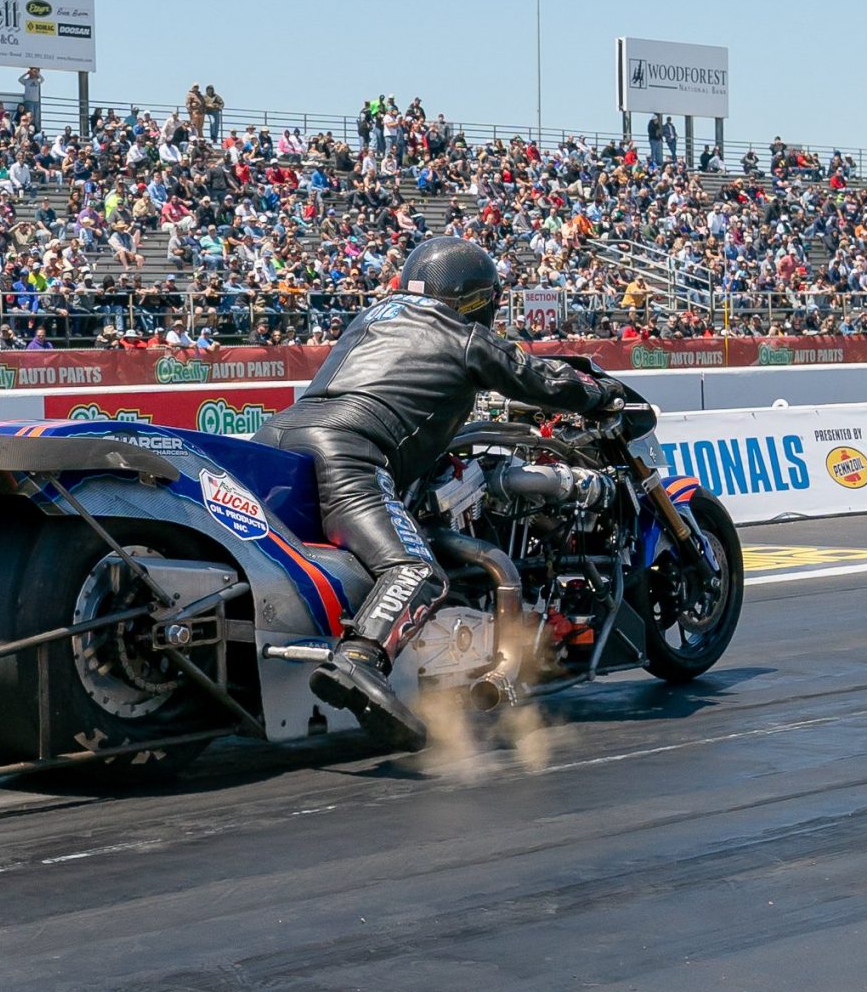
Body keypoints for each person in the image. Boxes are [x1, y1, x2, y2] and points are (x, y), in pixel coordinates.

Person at [252, 236, 624, 750]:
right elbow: (532, 377)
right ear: (478, 299)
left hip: (279, 439)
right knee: (416, 571)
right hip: (349, 451)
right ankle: (361, 659)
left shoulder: (374, 316)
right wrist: (602, 393)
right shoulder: (463, 333)